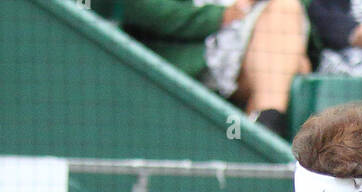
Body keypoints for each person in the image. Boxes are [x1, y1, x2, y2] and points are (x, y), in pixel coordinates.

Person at [115, 0, 312, 135]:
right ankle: (266, 124)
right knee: (291, 64)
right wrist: (225, 14)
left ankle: (266, 120)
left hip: (261, 41)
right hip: (193, 48)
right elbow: (144, 9)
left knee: (286, 8)